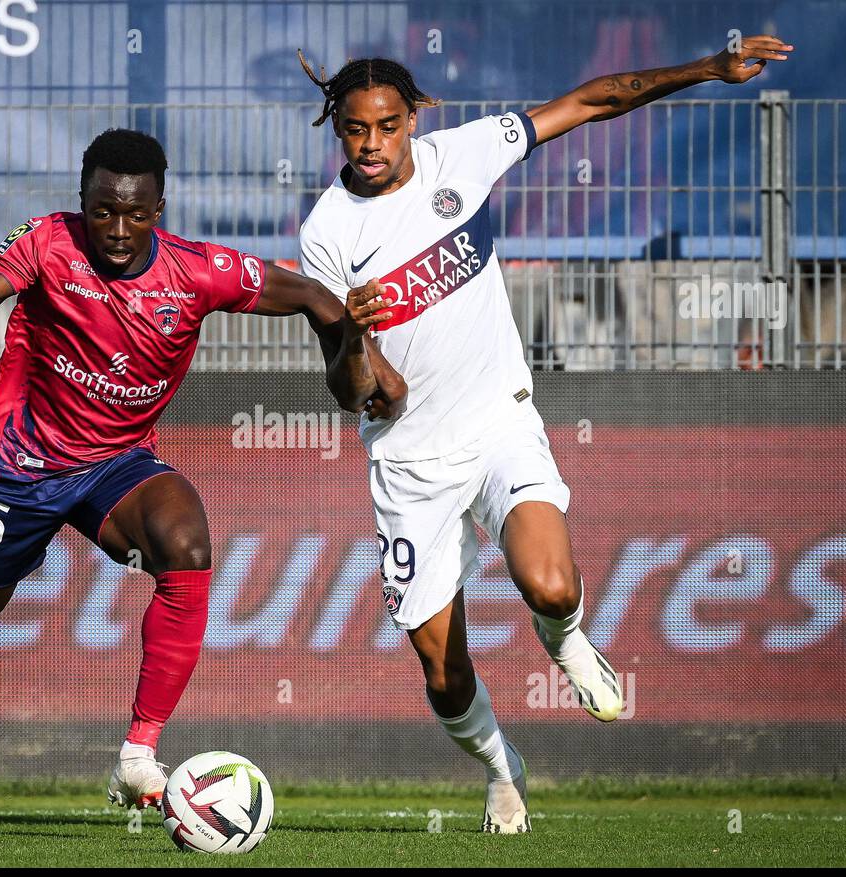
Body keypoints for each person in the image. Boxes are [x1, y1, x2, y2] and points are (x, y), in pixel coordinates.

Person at [297, 35, 793, 832]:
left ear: (415, 119)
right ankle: (503, 770)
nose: (372, 145)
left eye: (387, 126)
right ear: (338, 132)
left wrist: (705, 68)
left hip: (498, 419)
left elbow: (597, 100)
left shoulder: (463, 154)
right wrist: (356, 337)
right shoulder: (326, 236)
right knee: (441, 667)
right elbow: (362, 397)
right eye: (355, 130)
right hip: (411, 462)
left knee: (553, 586)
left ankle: (566, 642)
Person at [0, 128, 404, 815]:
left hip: (117, 464)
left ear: (160, 209)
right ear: (82, 203)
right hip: (24, 466)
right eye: (103, 212)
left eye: (137, 214)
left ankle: (137, 754)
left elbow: (309, 296)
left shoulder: (197, 271)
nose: (118, 230)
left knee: (188, 542)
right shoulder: (47, 242)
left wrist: (366, 355)